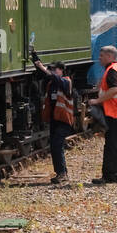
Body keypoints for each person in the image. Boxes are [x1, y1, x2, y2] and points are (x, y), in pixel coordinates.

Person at [89, 45, 117, 184]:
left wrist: (97, 100)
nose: (99, 58)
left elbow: (114, 90)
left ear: (109, 56)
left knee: (112, 144)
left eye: (101, 56)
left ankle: (109, 176)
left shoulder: (112, 71)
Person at [30, 50, 75, 184]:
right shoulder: (52, 83)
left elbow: (55, 78)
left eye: (55, 69)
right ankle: (61, 173)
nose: (53, 72)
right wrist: (35, 56)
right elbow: (44, 74)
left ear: (61, 70)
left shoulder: (66, 82)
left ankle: (62, 173)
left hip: (64, 120)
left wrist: (43, 68)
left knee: (57, 146)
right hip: (55, 120)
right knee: (55, 147)